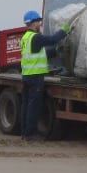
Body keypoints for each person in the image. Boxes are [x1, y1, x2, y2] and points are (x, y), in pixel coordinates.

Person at [20, 11, 67, 141]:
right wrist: (64, 30)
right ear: (33, 22)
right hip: (35, 77)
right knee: (34, 107)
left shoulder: (25, 37)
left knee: (26, 105)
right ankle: (30, 134)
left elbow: (37, 53)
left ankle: (24, 132)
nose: (40, 24)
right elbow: (52, 40)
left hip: (26, 76)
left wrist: (53, 52)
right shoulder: (36, 37)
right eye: (38, 22)